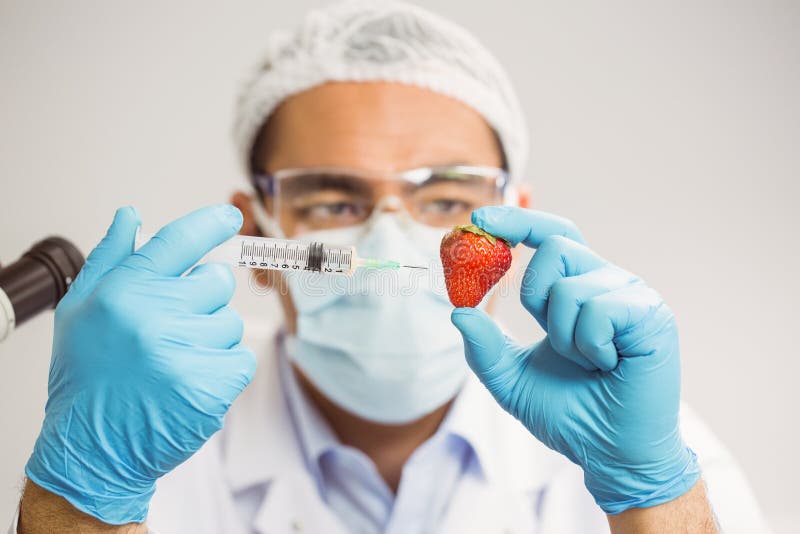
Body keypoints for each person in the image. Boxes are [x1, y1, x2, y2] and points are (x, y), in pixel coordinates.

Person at [10, 1, 771, 533]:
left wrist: (649, 497)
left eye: (444, 199)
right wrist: (83, 499)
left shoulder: (640, 439)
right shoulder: (143, 438)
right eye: (334, 202)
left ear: (513, 231)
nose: (391, 239)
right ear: (261, 239)